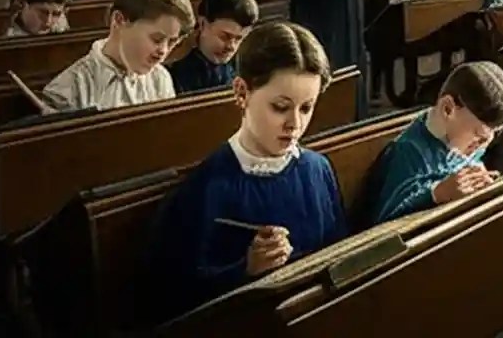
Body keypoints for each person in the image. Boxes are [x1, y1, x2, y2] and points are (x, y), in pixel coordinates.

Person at [139, 21, 348, 323]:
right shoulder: (207, 187)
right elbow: (172, 299)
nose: (295, 124)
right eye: (280, 107)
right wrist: (246, 270)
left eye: (306, 108)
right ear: (241, 92)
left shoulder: (318, 169)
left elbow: (339, 253)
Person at [367, 61, 503, 224]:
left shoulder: (466, 143)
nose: (480, 148)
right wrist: (436, 194)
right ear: (448, 109)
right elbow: (385, 225)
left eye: (488, 140)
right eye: (478, 135)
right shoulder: (407, 153)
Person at [42, 0, 193, 112]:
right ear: (119, 21)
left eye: (173, 42)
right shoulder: (67, 91)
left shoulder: (160, 78)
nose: (164, 51)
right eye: (157, 39)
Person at [169, 0, 259, 95]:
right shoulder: (177, 74)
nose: (231, 46)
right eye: (225, 36)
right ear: (202, 24)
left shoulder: (243, 70)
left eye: (239, 39)